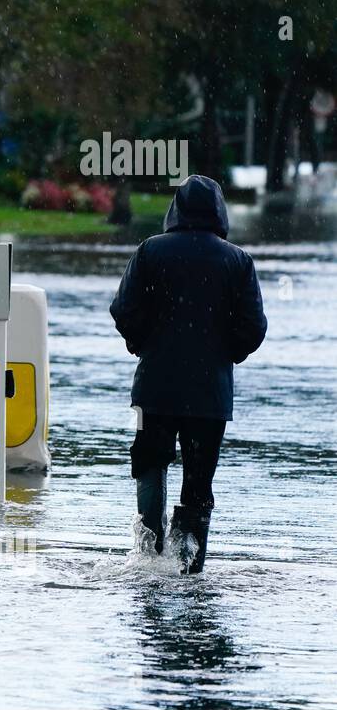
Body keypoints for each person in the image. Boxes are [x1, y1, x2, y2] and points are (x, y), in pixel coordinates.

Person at [110, 175, 268, 574]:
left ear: (175, 209)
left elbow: (123, 310)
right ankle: (188, 564)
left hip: (154, 387)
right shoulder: (237, 260)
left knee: (149, 462)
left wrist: (144, 345)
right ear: (219, 211)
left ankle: (148, 554)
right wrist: (226, 355)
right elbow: (254, 326)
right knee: (199, 479)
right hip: (210, 396)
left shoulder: (151, 251)